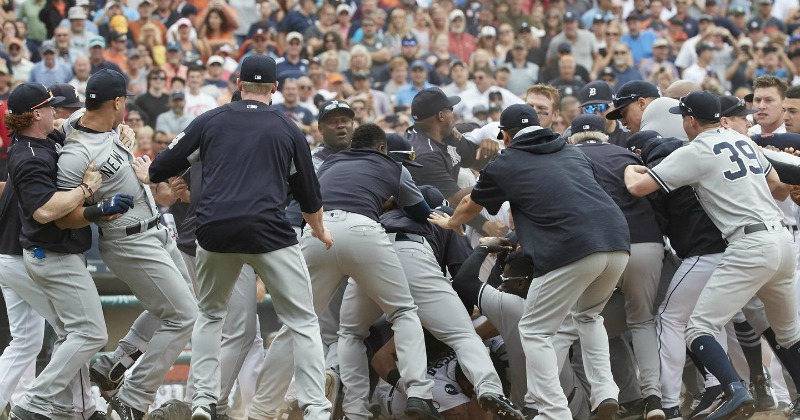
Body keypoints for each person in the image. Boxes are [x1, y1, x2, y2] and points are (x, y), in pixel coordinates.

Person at [141, 55, 334, 420]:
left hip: (214, 231)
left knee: (211, 316)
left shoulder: (210, 120)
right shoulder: (289, 127)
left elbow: (159, 168)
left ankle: (202, 401)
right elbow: (310, 197)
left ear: (239, 84)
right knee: (303, 320)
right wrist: (321, 230)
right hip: (269, 231)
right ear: (275, 88)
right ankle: (315, 407)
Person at [429, 104, 631, 419]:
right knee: (589, 317)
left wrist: (451, 223)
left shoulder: (507, 160)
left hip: (571, 248)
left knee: (534, 330)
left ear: (505, 136)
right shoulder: (572, 151)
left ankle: (553, 412)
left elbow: (470, 204)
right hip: (617, 242)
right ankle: (605, 392)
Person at [623, 91, 797, 420]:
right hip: (780, 239)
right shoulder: (740, 137)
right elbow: (775, 182)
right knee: (789, 333)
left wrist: (630, 170)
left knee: (698, 327)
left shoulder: (696, 150)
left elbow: (638, 188)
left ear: (690, 120)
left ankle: (734, 389)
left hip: (748, 244)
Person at [55, 69, 198, 420]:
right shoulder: (76, 152)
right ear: (116, 102)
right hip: (128, 241)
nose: (127, 111)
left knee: (181, 304)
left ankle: (113, 364)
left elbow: (68, 120)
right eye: (124, 102)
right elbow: (64, 214)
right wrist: (96, 206)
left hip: (156, 231)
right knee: (184, 316)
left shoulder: (82, 120)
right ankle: (134, 398)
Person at [296, 122, 440, 420]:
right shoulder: (391, 165)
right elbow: (420, 211)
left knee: (304, 323)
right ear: (381, 148)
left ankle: (300, 403)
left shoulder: (329, 163)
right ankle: (417, 393)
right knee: (402, 312)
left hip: (316, 232)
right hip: (363, 230)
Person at [4, 83, 128, 420]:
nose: (55, 112)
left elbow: (73, 124)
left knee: (70, 334)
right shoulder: (28, 156)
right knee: (88, 333)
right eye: (49, 107)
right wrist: (87, 189)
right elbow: (44, 211)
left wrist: (118, 132)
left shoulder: (42, 141)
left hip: (49, 251)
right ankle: (35, 403)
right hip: (47, 253)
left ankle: (78, 409)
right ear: (35, 114)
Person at [567, 114, 665, 419]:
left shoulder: (568, 155)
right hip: (647, 241)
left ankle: (604, 395)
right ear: (602, 135)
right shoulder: (624, 152)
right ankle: (654, 399)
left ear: (572, 138)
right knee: (643, 321)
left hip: (601, 246)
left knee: (586, 318)